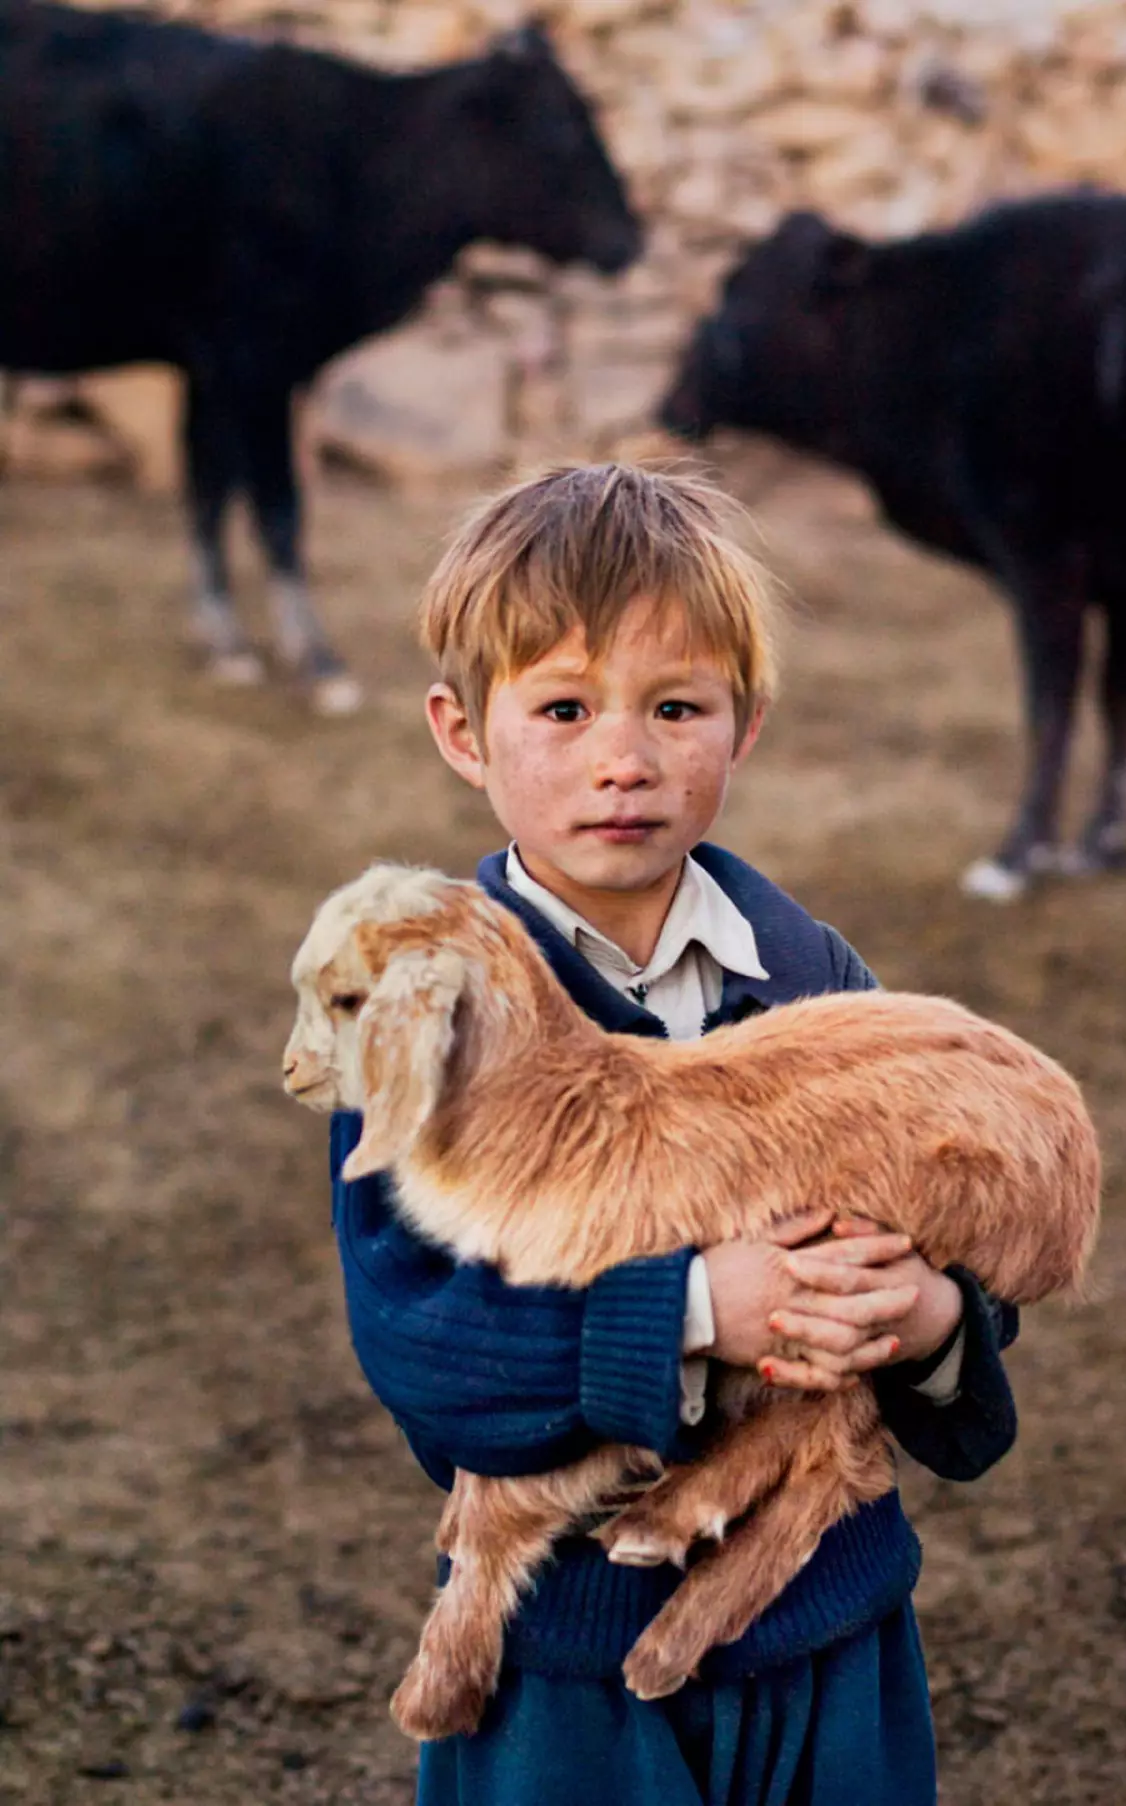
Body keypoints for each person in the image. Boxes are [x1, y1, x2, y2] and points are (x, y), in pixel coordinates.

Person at [328, 462, 1018, 1806]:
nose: (624, 757)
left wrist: (935, 1318)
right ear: (463, 731)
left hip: (832, 1632)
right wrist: (697, 1305)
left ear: (744, 724)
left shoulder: (823, 979)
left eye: (676, 706)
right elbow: (425, 1349)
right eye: (566, 706)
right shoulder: (425, 1018)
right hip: (565, 1670)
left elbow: (956, 1274)